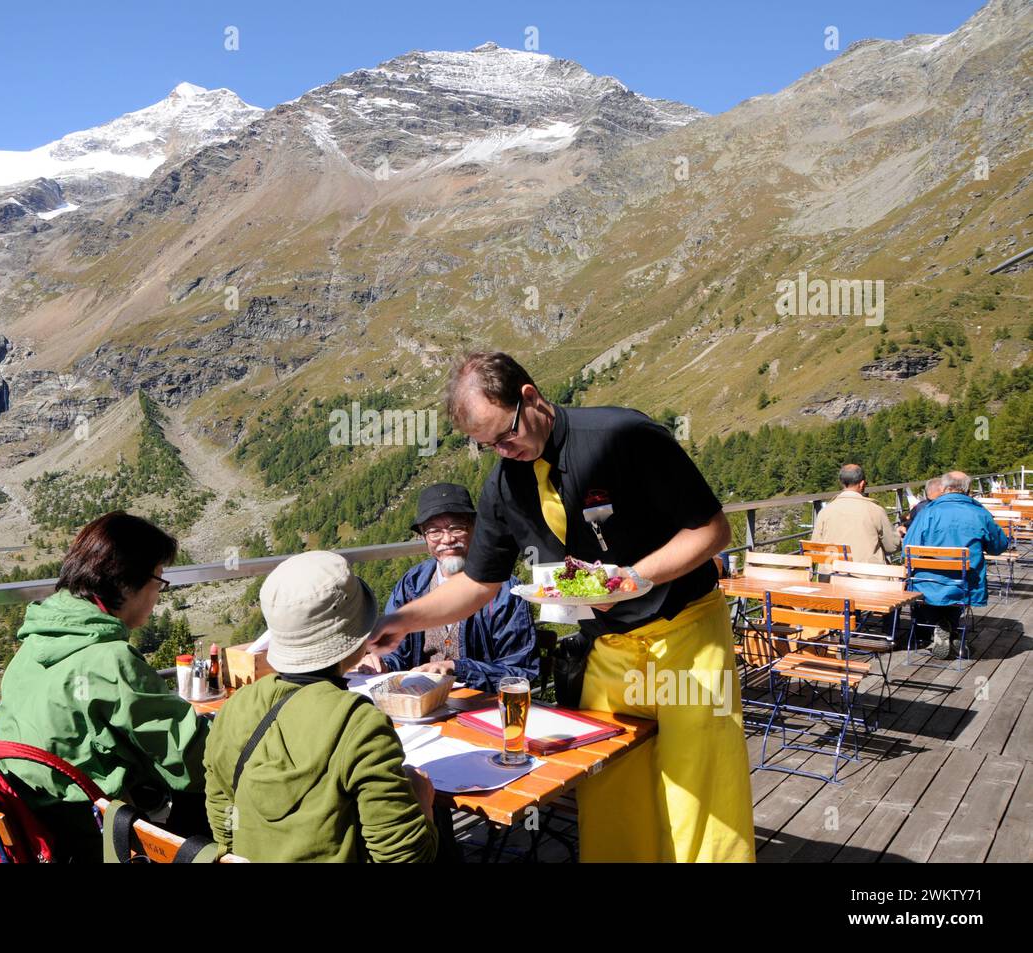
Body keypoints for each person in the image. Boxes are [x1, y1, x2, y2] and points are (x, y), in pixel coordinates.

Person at [369, 352, 754, 863]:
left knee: (699, 790)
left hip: (685, 632)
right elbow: (479, 583)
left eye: (505, 435)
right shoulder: (505, 484)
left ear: (530, 397)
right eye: (487, 446)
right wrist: (396, 622)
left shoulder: (624, 437)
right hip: (608, 646)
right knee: (611, 787)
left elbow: (711, 531)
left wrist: (635, 578)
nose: (502, 452)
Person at [0, 511, 208, 861]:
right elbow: (192, 760)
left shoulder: (34, 644)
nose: (158, 595)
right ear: (127, 582)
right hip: (97, 838)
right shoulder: (110, 660)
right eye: (159, 580)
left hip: (45, 824)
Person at [204, 550, 438, 862]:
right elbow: (405, 858)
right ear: (355, 635)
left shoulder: (238, 705)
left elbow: (224, 821)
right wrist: (422, 799)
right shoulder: (359, 724)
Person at [362, 483, 538, 691]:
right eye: (434, 531)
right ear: (424, 537)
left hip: (481, 707)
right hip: (422, 706)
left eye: (457, 527)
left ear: (476, 528)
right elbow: (397, 655)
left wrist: (457, 669)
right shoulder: (411, 584)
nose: (447, 539)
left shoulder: (506, 590)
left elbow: (522, 672)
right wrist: (380, 663)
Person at [903, 471, 1010, 658]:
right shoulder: (979, 513)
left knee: (935, 588)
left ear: (944, 488)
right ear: (968, 490)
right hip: (964, 583)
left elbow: (908, 547)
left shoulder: (927, 511)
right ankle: (950, 627)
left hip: (928, 582)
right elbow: (998, 546)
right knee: (957, 585)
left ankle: (939, 624)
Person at [811, 463, 901, 564]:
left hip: (832, 575)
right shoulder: (875, 510)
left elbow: (815, 549)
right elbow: (892, 546)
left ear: (841, 483)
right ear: (862, 484)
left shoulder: (825, 512)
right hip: (865, 576)